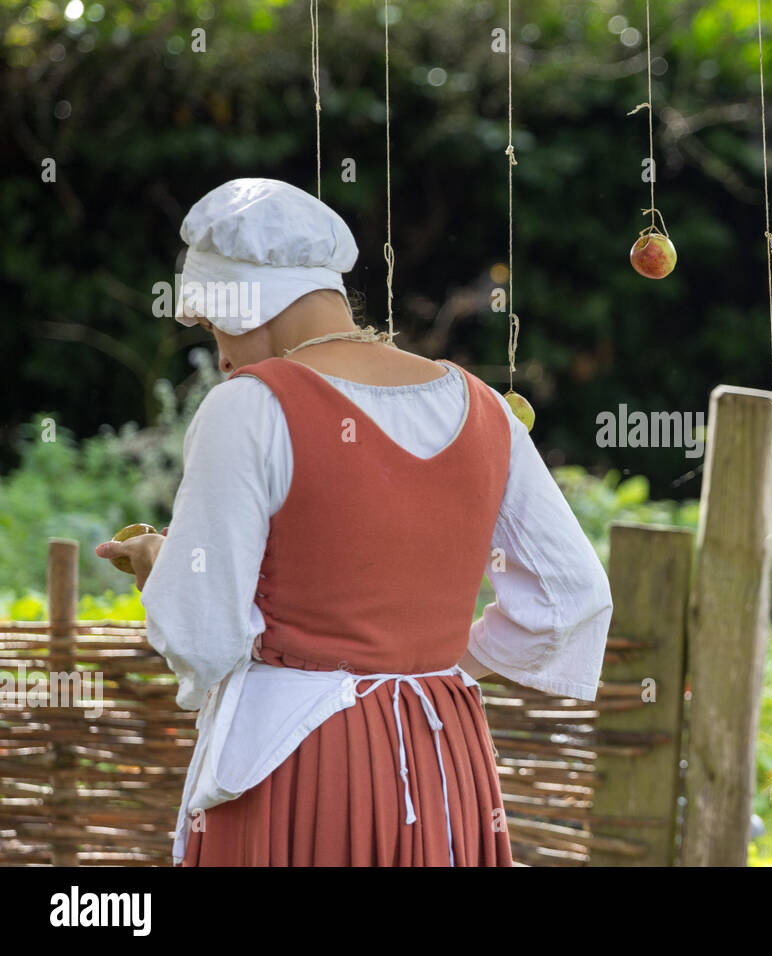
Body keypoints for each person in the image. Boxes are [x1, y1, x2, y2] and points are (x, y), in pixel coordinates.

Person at [95, 178, 612, 866]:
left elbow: (203, 638)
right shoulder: (486, 407)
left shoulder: (246, 407)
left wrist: (161, 566)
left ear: (240, 300)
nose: (220, 354)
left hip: (298, 761)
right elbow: (570, 598)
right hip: (444, 760)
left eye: (212, 322)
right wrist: (431, 666)